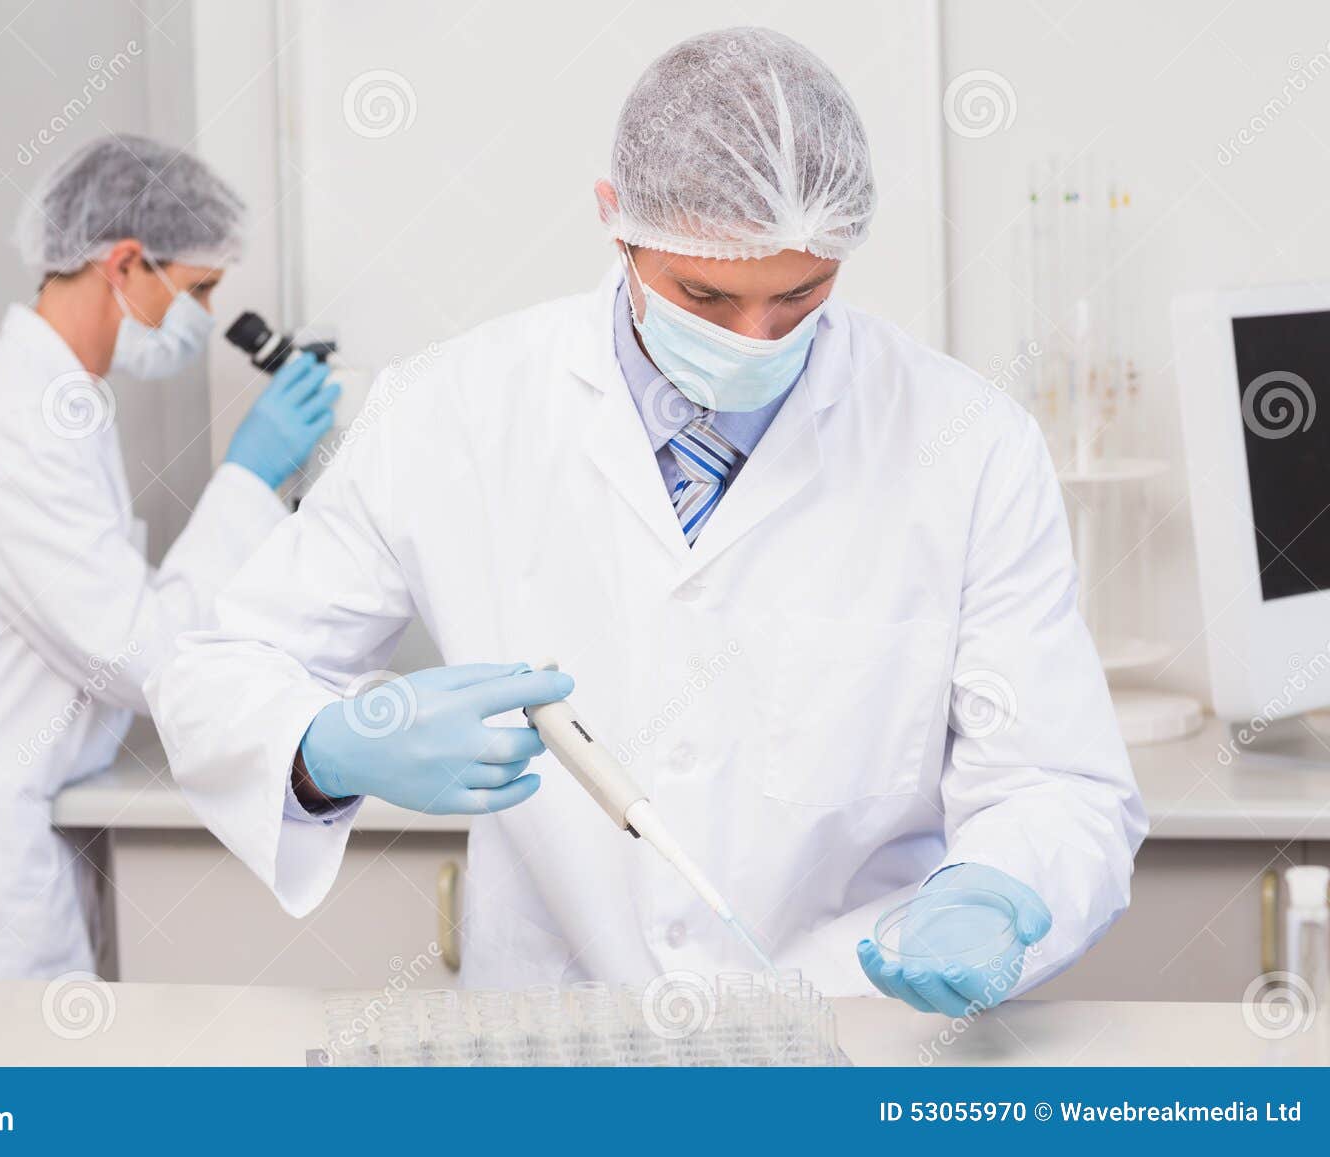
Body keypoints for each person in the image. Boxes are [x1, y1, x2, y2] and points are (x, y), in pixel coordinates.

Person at [148, 29, 1146, 1012]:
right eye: (706, 293)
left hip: (848, 1023)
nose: (755, 337)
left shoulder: (968, 443)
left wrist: (995, 891)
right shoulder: (451, 410)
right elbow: (218, 671)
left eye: (799, 294)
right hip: (557, 1036)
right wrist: (323, 746)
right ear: (616, 223)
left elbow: (1054, 780)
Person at [0, 135, 340, 979]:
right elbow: (140, 654)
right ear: (125, 263)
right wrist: (248, 478)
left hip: (9, 835)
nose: (207, 316)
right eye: (200, 289)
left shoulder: (59, 404)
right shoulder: (15, 420)